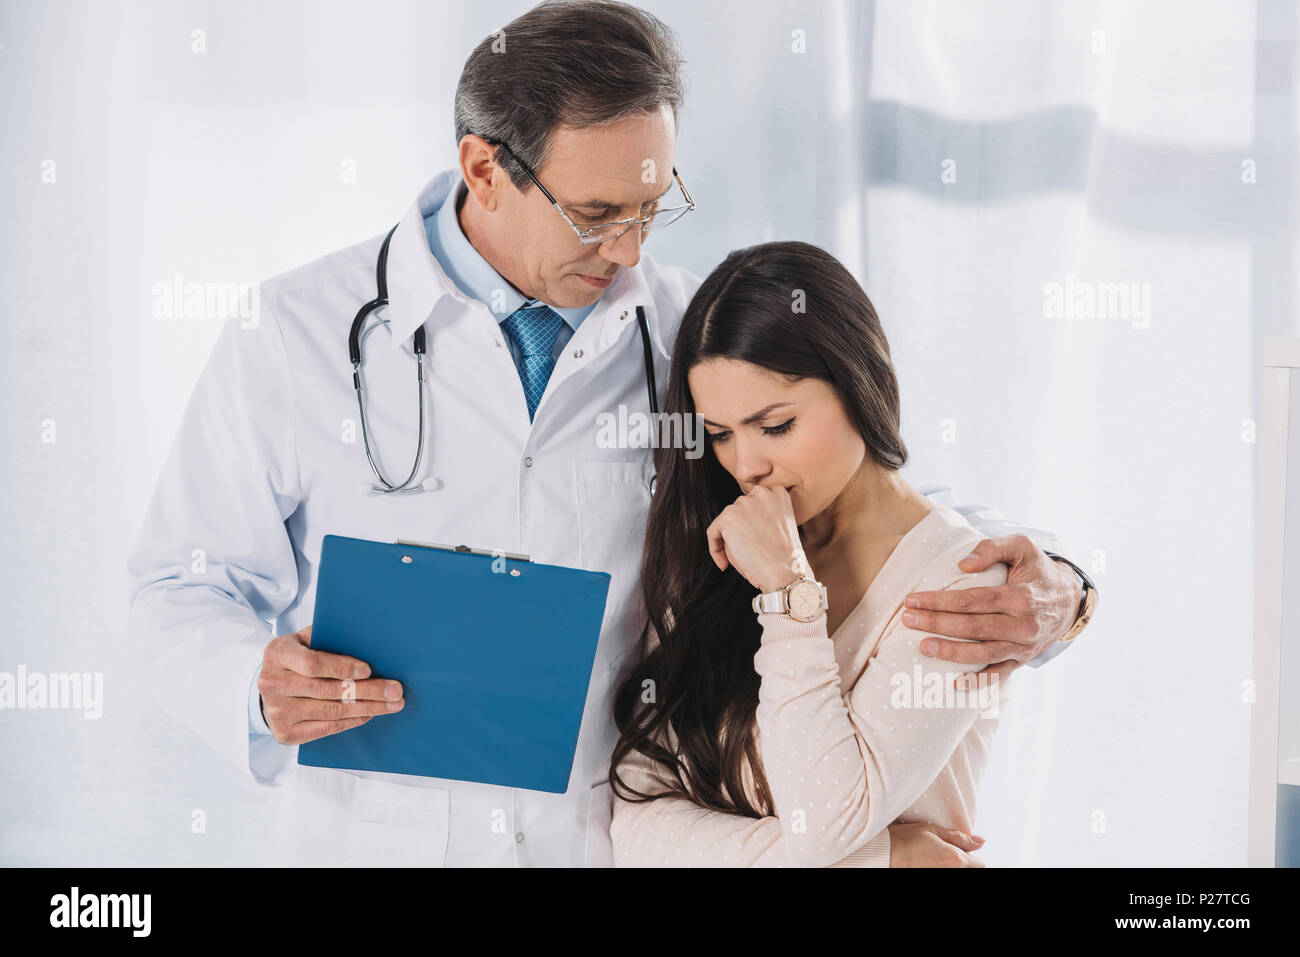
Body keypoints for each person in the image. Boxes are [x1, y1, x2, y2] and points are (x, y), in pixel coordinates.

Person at [124, 0, 1095, 868]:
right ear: (484, 168)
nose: (629, 250)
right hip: (375, 832)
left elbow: (848, 491)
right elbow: (178, 585)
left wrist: (1051, 579)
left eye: (650, 208)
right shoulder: (294, 330)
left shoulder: (681, 329)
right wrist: (253, 685)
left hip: (606, 837)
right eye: (595, 216)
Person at [610, 241, 1029, 866]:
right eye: (720, 435)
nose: (747, 466)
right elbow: (637, 826)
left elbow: (826, 823)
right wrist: (880, 860)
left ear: (859, 384)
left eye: (775, 426)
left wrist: (788, 596)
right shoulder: (722, 553)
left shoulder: (961, 583)